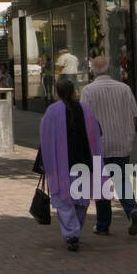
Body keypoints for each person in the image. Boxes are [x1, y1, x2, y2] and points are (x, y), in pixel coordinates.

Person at [80, 55, 137, 236]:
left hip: (99, 144)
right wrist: (128, 133)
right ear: (109, 69)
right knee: (122, 180)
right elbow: (135, 115)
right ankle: (132, 209)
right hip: (122, 142)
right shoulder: (124, 88)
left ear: (92, 70)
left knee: (101, 184)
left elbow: (85, 118)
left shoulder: (88, 90)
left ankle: (103, 224)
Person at [39, 77, 103, 251]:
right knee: (81, 200)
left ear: (57, 93)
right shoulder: (85, 109)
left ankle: (71, 233)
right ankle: (75, 230)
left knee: (64, 200)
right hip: (84, 161)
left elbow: (45, 138)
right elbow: (98, 131)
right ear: (74, 91)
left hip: (62, 165)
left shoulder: (52, 111)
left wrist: (43, 161)